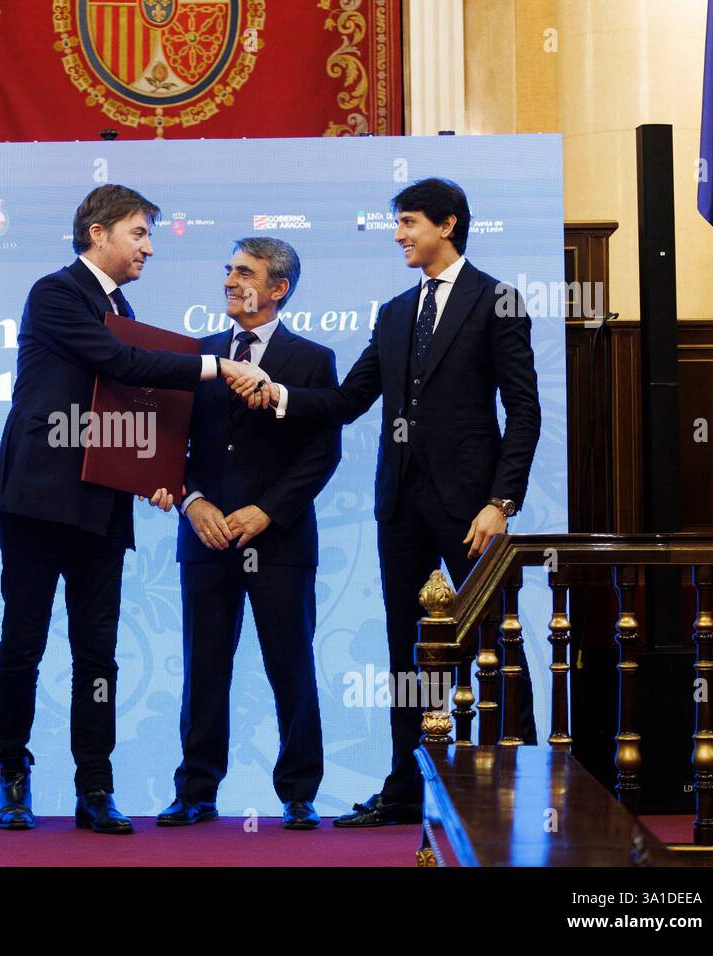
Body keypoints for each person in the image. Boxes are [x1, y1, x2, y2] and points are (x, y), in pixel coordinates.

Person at [234, 178, 541, 827]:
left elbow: (524, 409)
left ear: (447, 224)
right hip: (400, 504)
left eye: (408, 222)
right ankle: (409, 785)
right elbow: (349, 400)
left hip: (472, 510)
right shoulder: (396, 311)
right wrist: (280, 395)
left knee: (495, 644)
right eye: (397, 224)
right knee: (408, 651)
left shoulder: (500, 300)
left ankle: (523, 778)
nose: (399, 235)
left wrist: (501, 501)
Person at [0, 184, 267, 834]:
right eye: (138, 233)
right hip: (36, 497)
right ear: (97, 234)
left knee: (99, 654)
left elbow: (131, 407)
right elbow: (117, 361)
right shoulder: (55, 293)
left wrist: (158, 476)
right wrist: (216, 366)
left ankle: (95, 790)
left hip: (102, 501)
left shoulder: (123, 306)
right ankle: (13, 780)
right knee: (22, 644)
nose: (147, 247)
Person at [150, 237, 340, 830]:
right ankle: (196, 791)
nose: (229, 279)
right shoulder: (197, 358)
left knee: (291, 665)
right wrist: (193, 500)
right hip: (204, 538)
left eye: (244, 271)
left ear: (277, 287)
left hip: (279, 542)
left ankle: (299, 793)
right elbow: (166, 447)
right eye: (227, 268)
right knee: (204, 668)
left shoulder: (312, 360)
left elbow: (322, 452)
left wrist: (267, 512)